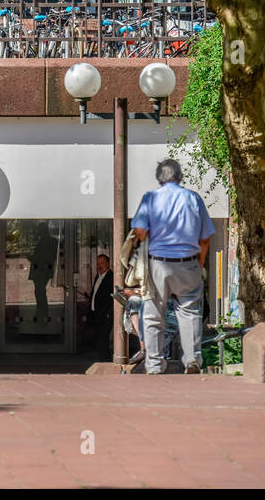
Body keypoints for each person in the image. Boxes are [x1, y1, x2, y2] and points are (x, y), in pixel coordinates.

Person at [131, 158, 214, 374]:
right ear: (180, 176)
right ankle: (192, 360)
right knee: (190, 313)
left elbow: (139, 230)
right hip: (188, 263)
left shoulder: (150, 198)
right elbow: (205, 239)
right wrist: (200, 262)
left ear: (159, 177)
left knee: (152, 315)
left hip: (158, 264)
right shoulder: (193, 198)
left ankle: (155, 365)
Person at [86, 253, 113, 360]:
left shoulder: (111, 277)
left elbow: (112, 298)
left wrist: (108, 314)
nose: (99, 266)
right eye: (97, 263)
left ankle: (105, 361)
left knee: (104, 339)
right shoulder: (98, 276)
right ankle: (100, 360)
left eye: (102, 263)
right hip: (95, 313)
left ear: (108, 263)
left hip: (105, 315)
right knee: (98, 339)